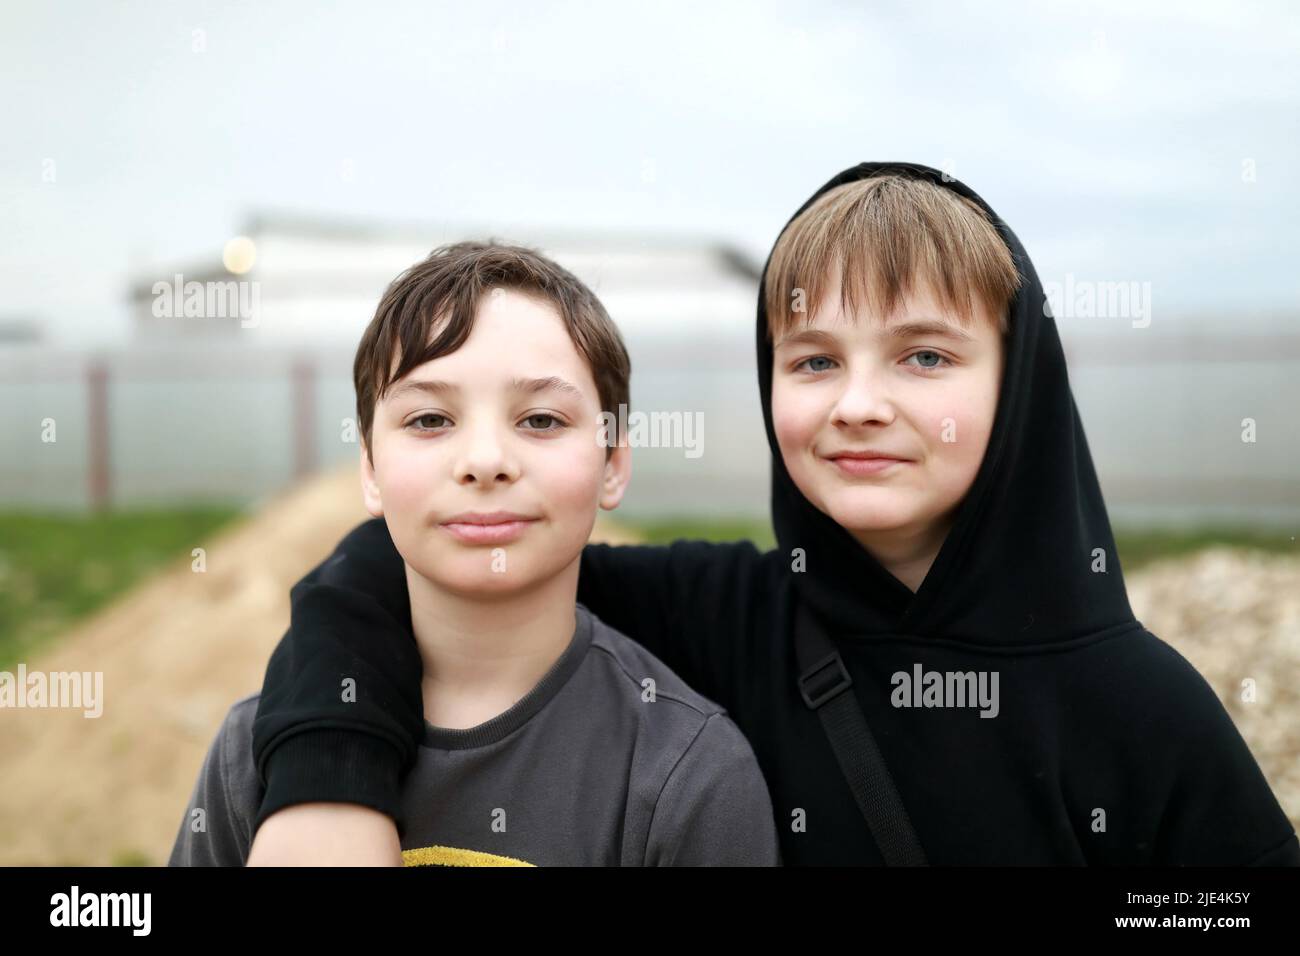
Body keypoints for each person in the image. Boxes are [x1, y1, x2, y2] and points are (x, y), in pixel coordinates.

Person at [246, 163, 1300, 865]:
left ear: (1018, 379)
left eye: (923, 355)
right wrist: (325, 781)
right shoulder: (733, 618)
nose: (858, 402)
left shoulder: (1140, 708)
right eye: (812, 360)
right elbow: (409, 563)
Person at [168, 241, 780, 866]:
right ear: (370, 469)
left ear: (614, 463)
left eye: (541, 420)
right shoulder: (254, 754)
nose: (485, 461)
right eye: (430, 420)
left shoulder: (691, 777)